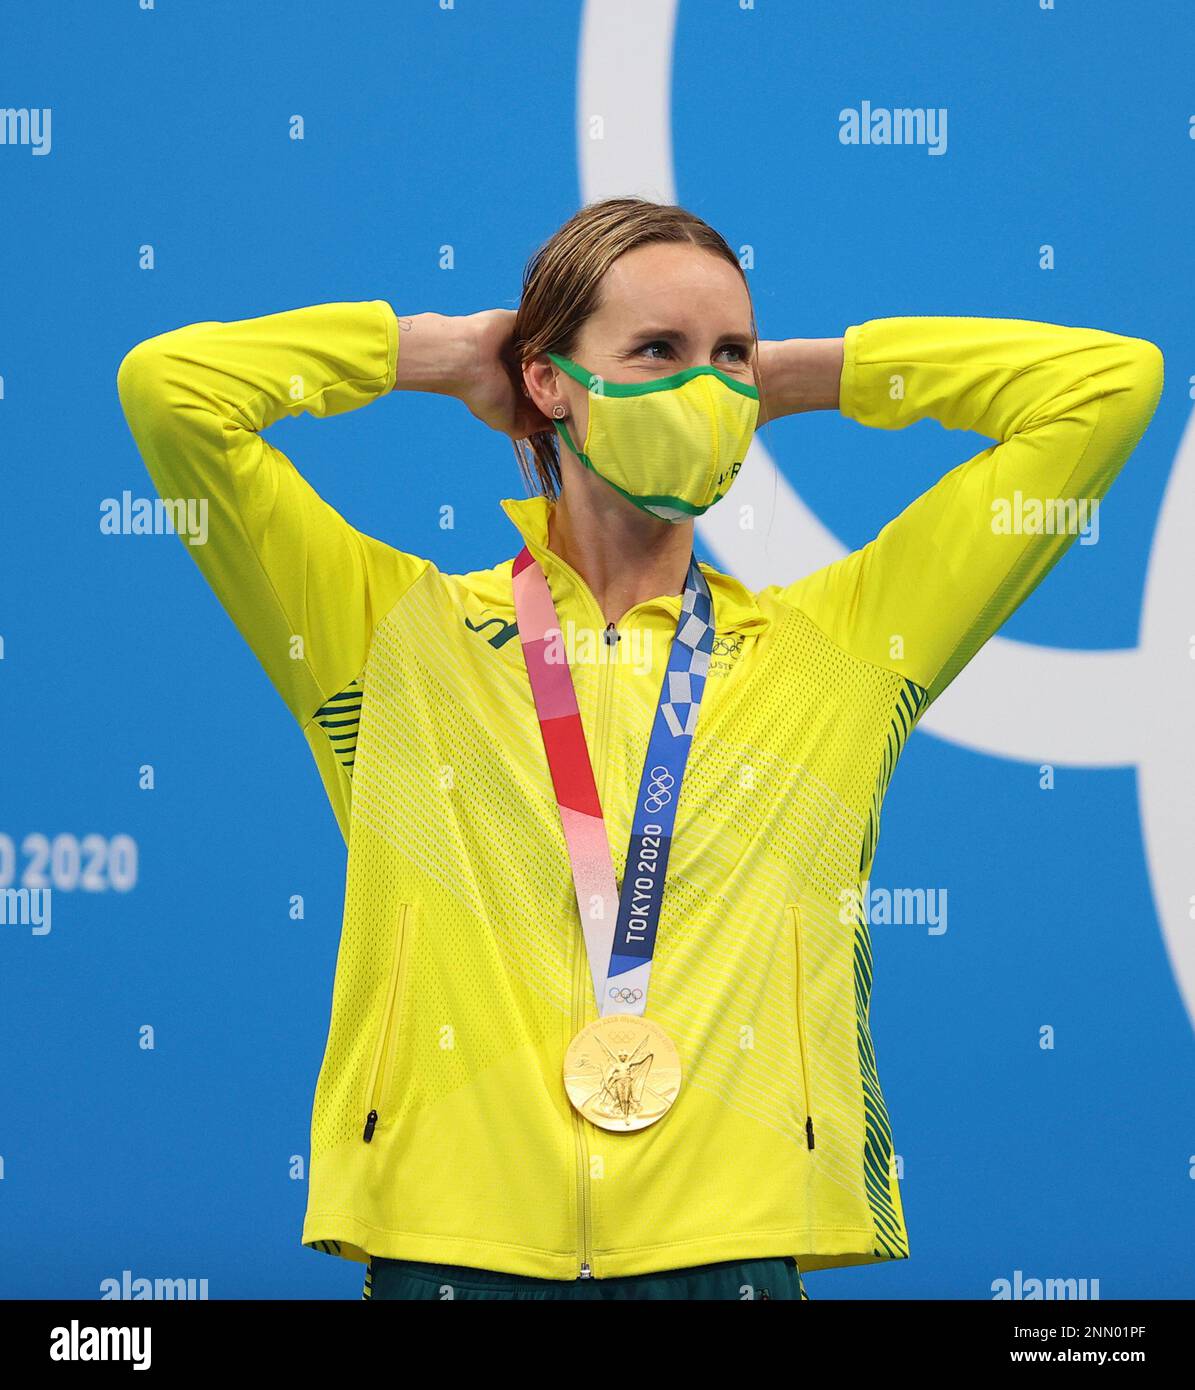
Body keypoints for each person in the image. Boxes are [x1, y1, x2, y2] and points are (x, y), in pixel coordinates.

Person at [116, 196, 1164, 1301]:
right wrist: (433, 353)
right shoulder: (389, 637)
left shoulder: (845, 649)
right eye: (657, 351)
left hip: (731, 1247)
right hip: (449, 1244)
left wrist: (799, 376)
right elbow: (172, 392)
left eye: (729, 356)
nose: (703, 389)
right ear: (547, 379)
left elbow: (1106, 388)